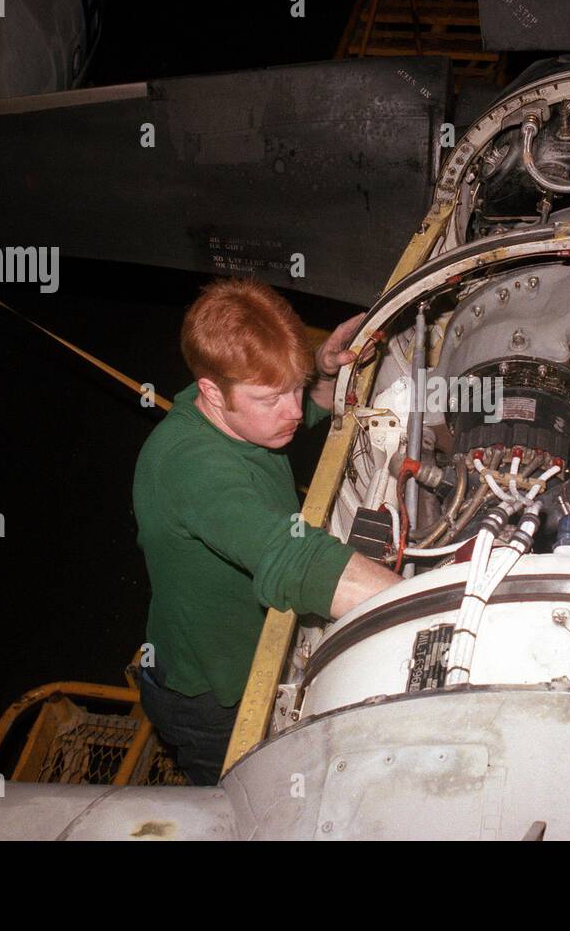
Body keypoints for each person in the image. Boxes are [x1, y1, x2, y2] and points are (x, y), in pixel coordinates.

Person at [132, 277, 401, 785]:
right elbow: (292, 559)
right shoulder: (190, 467)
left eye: (295, 388)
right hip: (214, 698)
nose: (295, 412)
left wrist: (320, 371)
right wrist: (424, 602)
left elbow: (309, 408)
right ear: (212, 392)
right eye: (271, 397)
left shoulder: (229, 405)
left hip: (248, 650)